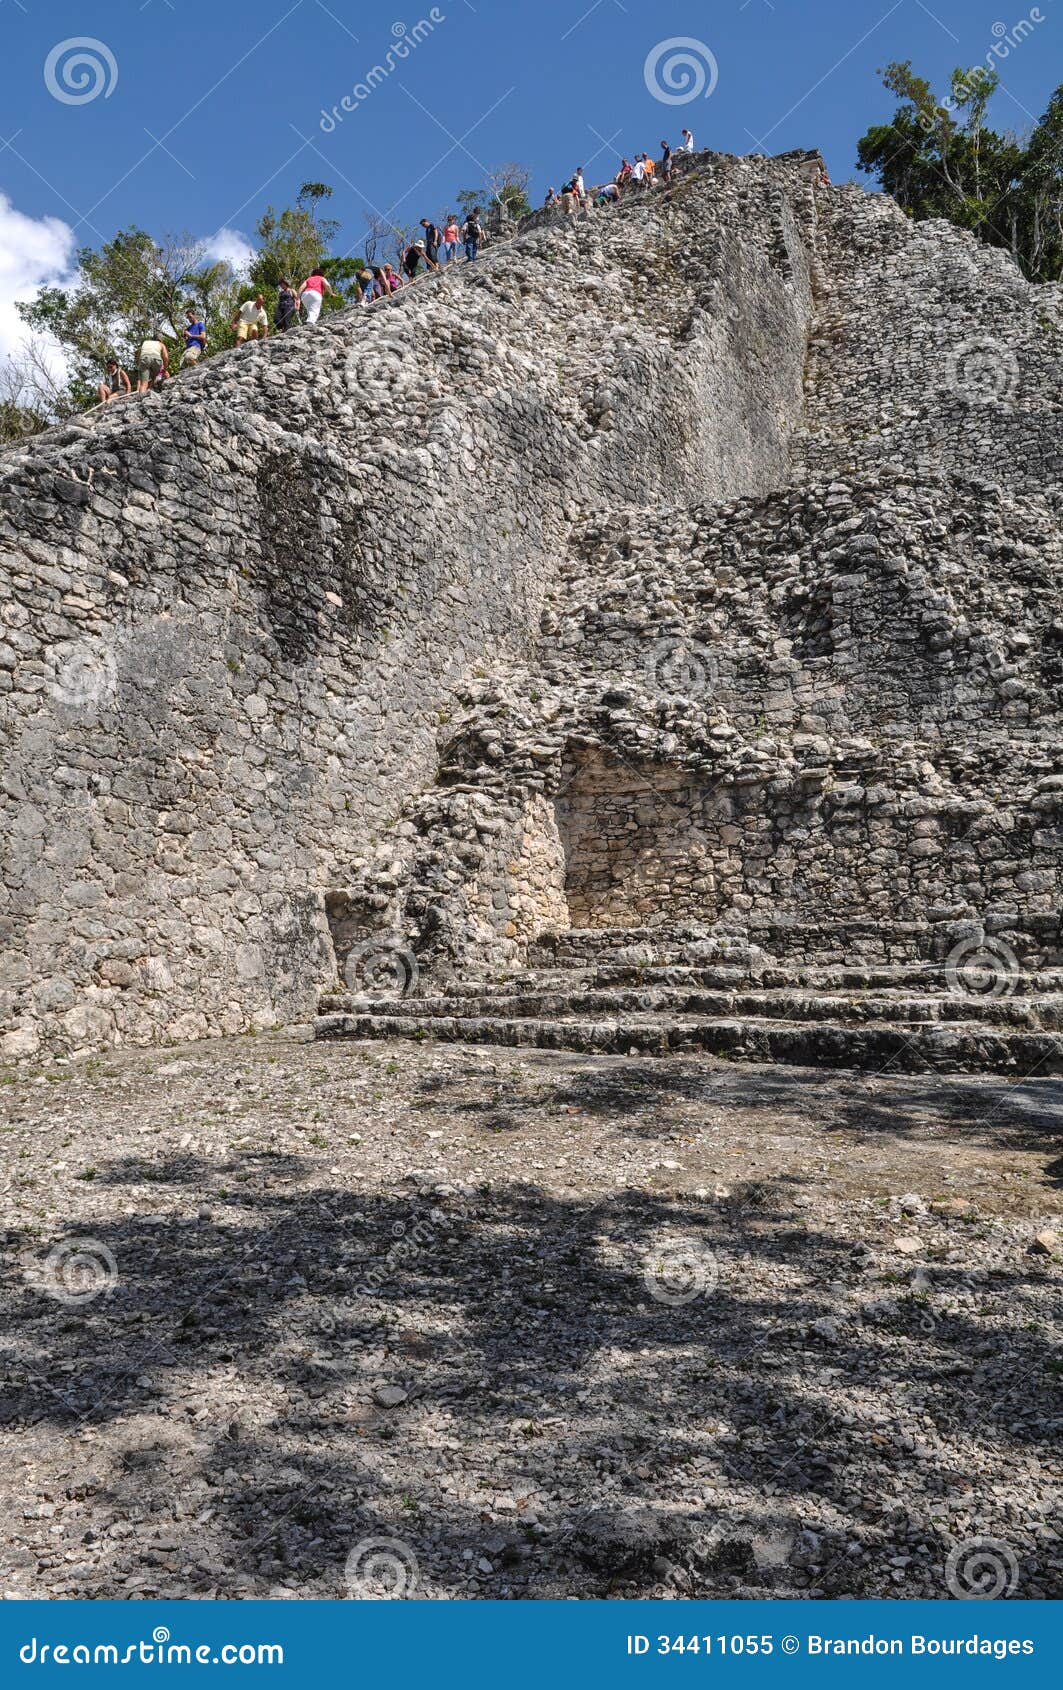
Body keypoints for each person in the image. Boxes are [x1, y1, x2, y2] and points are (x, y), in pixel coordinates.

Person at [136, 330, 168, 394]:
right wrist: (165, 368)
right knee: (155, 377)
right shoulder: (161, 344)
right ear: (161, 339)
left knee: (143, 384)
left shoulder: (145, 342)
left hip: (144, 359)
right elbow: (166, 357)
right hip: (157, 360)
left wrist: (138, 364)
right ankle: (155, 390)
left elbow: (138, 355)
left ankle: (141, 400)